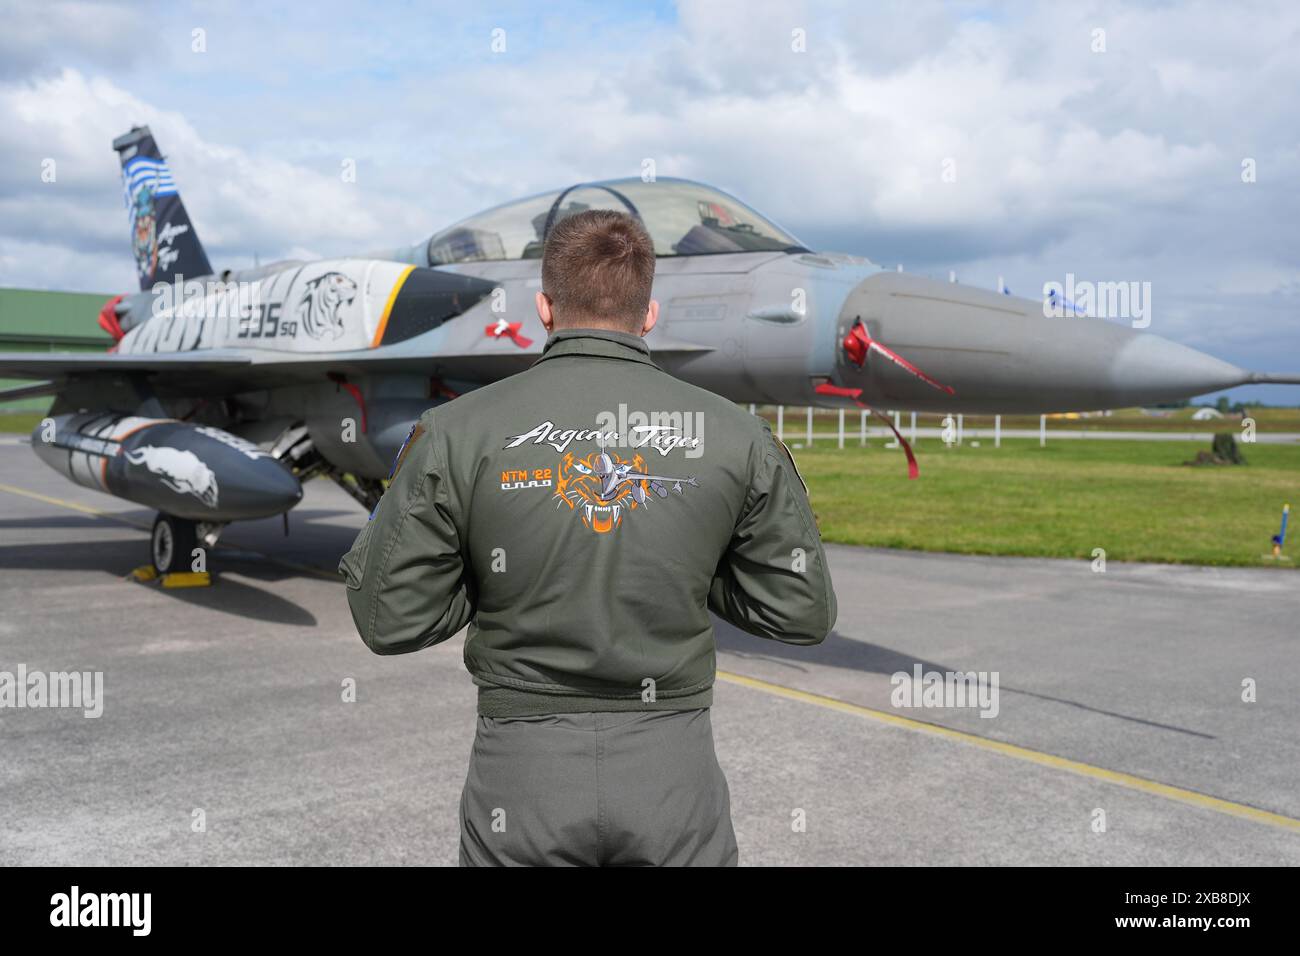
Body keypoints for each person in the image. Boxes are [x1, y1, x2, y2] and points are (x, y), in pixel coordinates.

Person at [339, 209, 836, 866]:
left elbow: (388, 619)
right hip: (673, 776)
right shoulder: (737, 436)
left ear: (544, 307)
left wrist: (481, 574)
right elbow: (801, 612)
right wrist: (692, 562)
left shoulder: (456, 432)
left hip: (521, 779)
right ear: (649, 313)